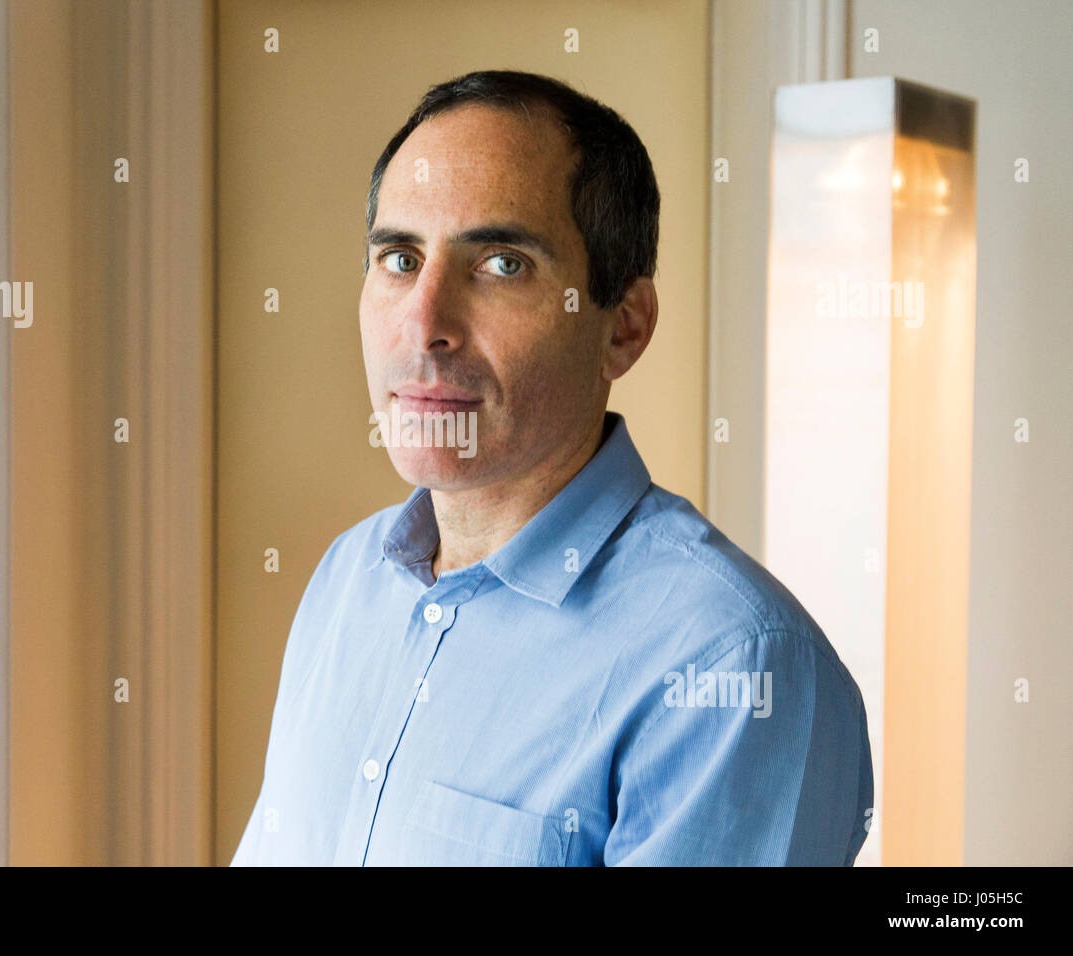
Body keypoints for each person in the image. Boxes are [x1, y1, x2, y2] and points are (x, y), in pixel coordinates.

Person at [231, 69, 873, 866]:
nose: (423, 324)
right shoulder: (346, 581)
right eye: (399, 258)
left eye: (501, 264)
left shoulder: (733, 665)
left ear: (624, 327)